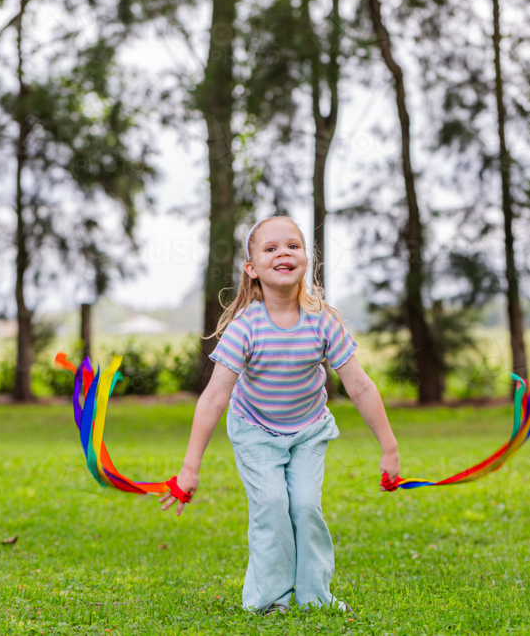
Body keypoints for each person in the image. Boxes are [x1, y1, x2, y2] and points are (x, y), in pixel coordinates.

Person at [159, 215, 401, 615]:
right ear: (252, 269)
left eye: (293, 245)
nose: (283, 253)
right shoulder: (244, 328)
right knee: (272, 504)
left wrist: (389, 448)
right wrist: (190, 467)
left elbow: (360, 385)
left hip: (308, 431)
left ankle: (313, 598)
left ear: (306, 259)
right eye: (270, 248)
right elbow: (215, 397)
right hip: (254, 431)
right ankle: (270, 600)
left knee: (305, 506)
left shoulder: (323, 321)